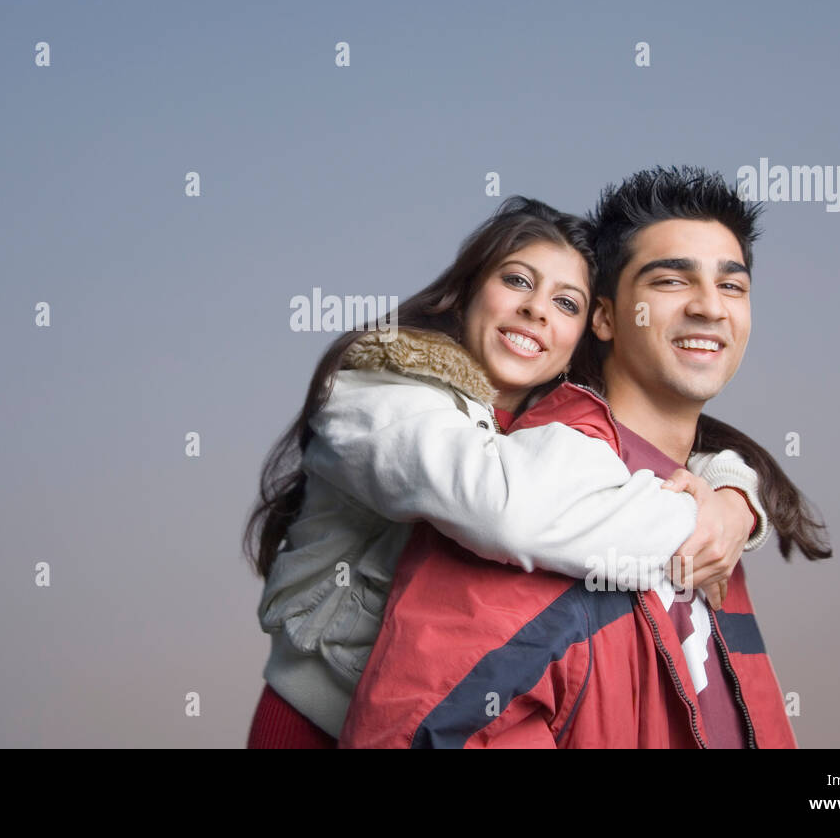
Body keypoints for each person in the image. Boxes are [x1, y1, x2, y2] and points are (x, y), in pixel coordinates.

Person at [244, 195, 775, 748]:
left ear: (587, 331)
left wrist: (735, 496)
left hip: (437, 716)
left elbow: (682, 446)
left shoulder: (547, 424)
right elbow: (504, 510)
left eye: (566, 303)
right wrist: (700, 523)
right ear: (469, 291)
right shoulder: (377, 393)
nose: (537, 309)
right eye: (518, 281)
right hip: (316, 719)